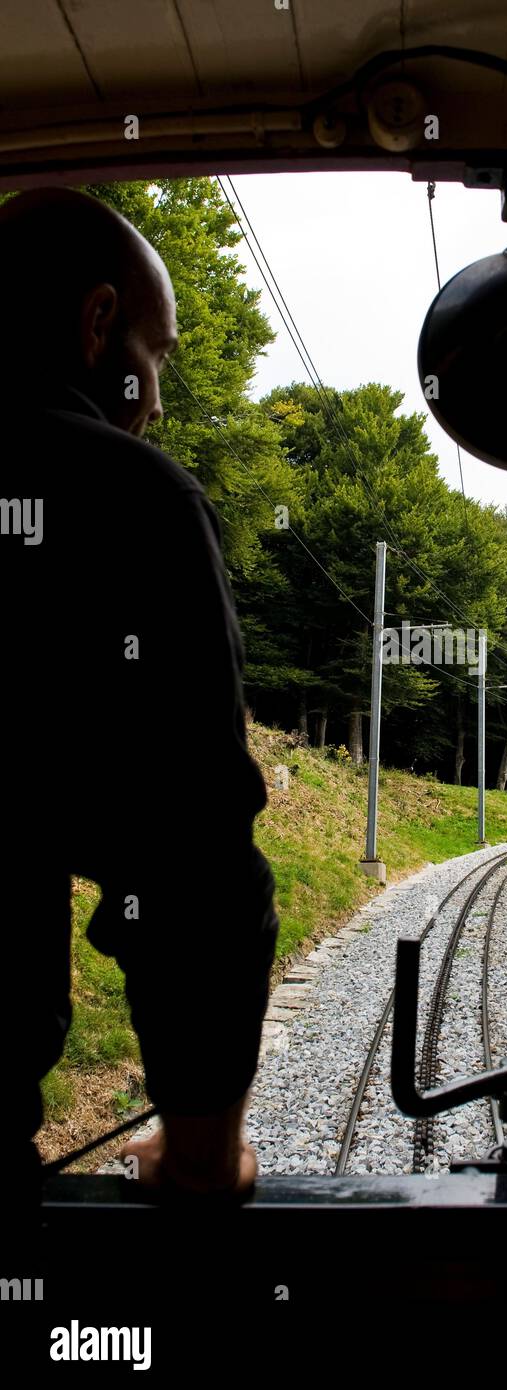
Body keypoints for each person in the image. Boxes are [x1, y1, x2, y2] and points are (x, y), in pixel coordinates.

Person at [0, 187, 278, 1208]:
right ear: (97, 321)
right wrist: (201, 1156)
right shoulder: (125, 493)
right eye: (154, 361)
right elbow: (192, 855)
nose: (153, 400)